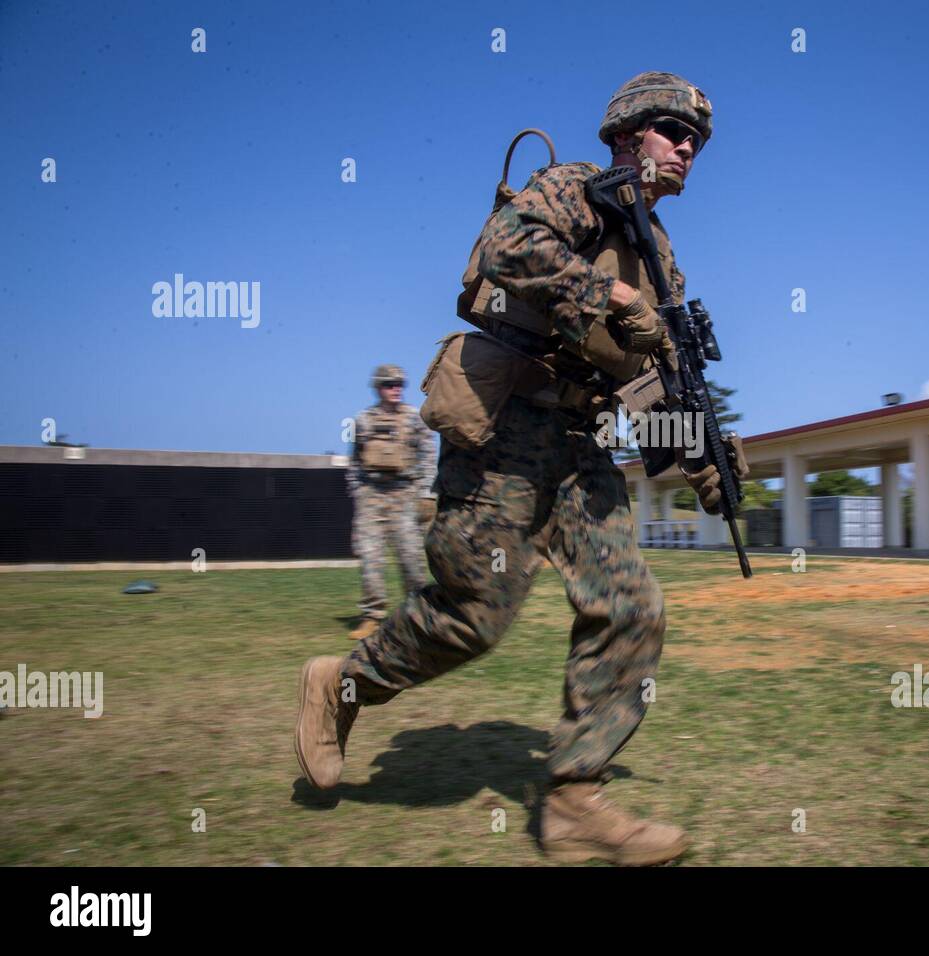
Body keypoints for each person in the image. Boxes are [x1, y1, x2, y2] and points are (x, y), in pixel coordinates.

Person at [295, 72, 743, 865]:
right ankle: (344, 684)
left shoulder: (661, 256)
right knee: (474, 615)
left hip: (580, 445)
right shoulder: (577, 188)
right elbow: (508, 246)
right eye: (673, 131)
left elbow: (650, 379)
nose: (687, 148)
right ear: (627, 133)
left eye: (696, 141)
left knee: (633, 606)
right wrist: (611, 296)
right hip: (505, 427)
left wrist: (702, 454)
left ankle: (574, 801)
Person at [346, 365, 437, 640]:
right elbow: (355, 461)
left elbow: (428, 456)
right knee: (370, 558)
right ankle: (372, 616)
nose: (395, 388)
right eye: (389, 384)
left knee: (410, 558)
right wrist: (359, 492)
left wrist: (426, 494)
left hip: (404, 495)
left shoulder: (415, 419)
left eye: (399, 384)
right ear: (378, 388)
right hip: (371, 496)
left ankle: (418, 614)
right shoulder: (362, 420)